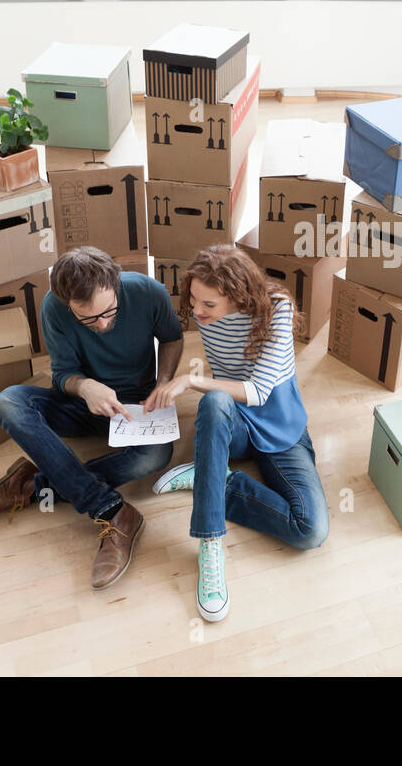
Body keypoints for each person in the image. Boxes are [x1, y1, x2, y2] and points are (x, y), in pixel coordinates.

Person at [0, 247, 184, 590]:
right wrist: (85, 388)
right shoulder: (54, 308)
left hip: (133, 405)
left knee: (157, 454)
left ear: (116, 285)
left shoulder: (148, 292)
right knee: (8, 403)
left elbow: (172, 338)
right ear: (67, 302)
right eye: (88, 319)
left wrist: (162, 383)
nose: (101, 324)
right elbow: (63, 374)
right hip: (84, 403)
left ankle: (35, 484)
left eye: (108, 312)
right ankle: (113, 511)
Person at [145, 245, 328, 622]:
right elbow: (223, 387)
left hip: (280, 424)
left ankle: (210, 478)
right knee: (214, 403)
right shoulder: (205, 310)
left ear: (237, 294)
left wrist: (191, 380)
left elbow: (260, 391)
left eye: (208, 304)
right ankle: (210, 542)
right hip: (232, 421)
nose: (197, 312)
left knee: (309, 530)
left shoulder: (275, 309)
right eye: (193, 299)